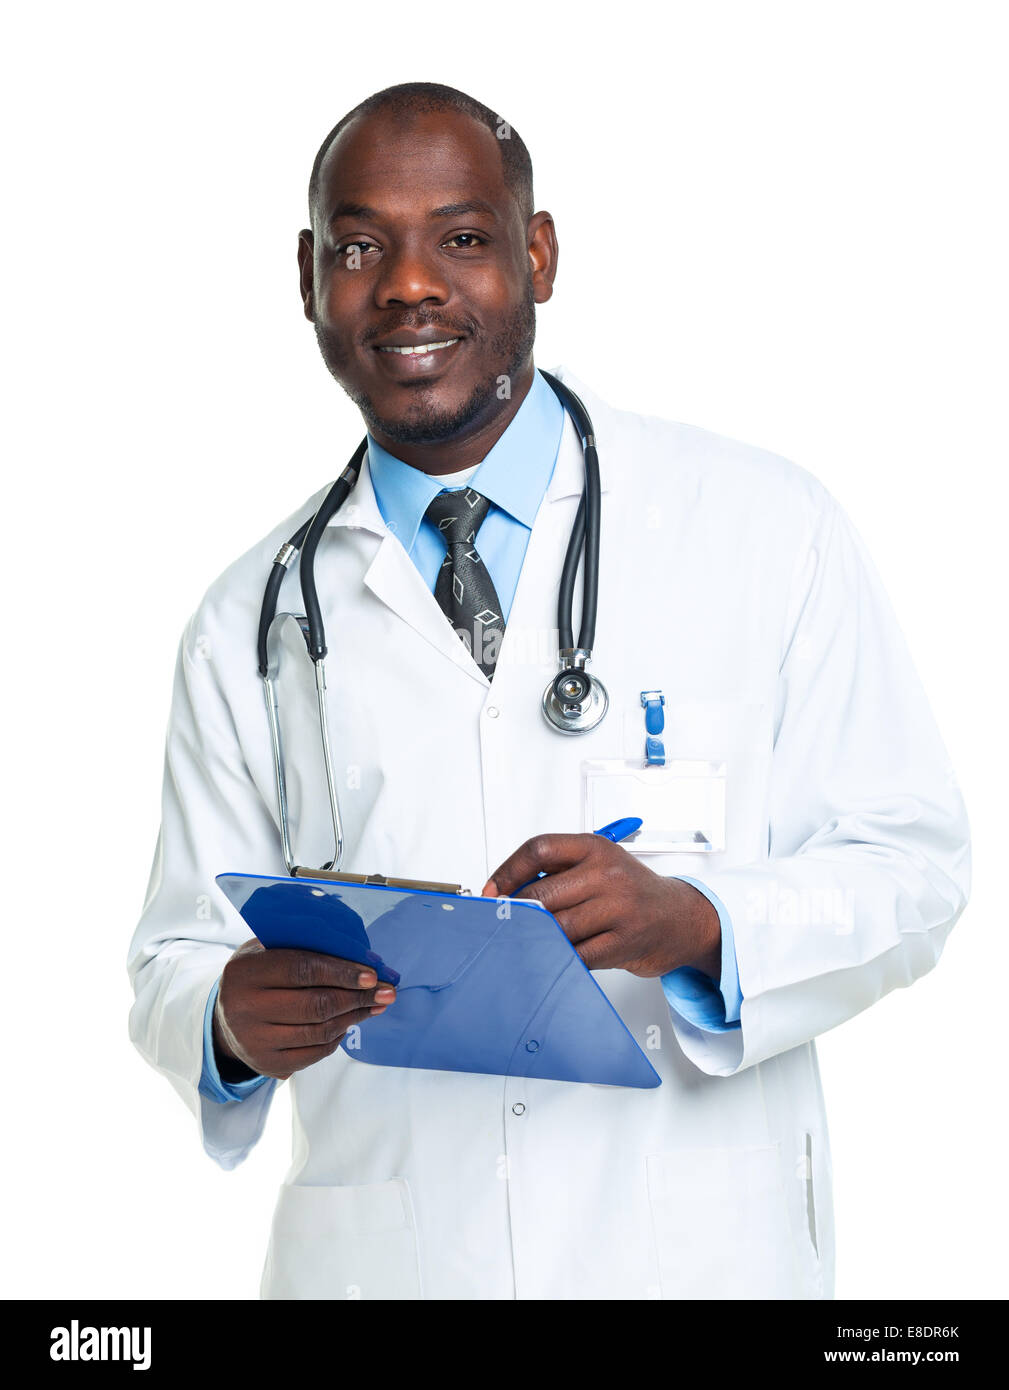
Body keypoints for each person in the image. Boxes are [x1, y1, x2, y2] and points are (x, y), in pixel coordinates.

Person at [127, 82, 970, 1301]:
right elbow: (170, 962)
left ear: (538, 253)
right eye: (361, 248)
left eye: (462, 238)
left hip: (693, 1257)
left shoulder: (761, 527)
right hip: (393, 1264)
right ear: (309, 277)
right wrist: (225, 1021)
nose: (409, 284)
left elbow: (913, 863)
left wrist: (702, 923)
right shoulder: (246, 618)